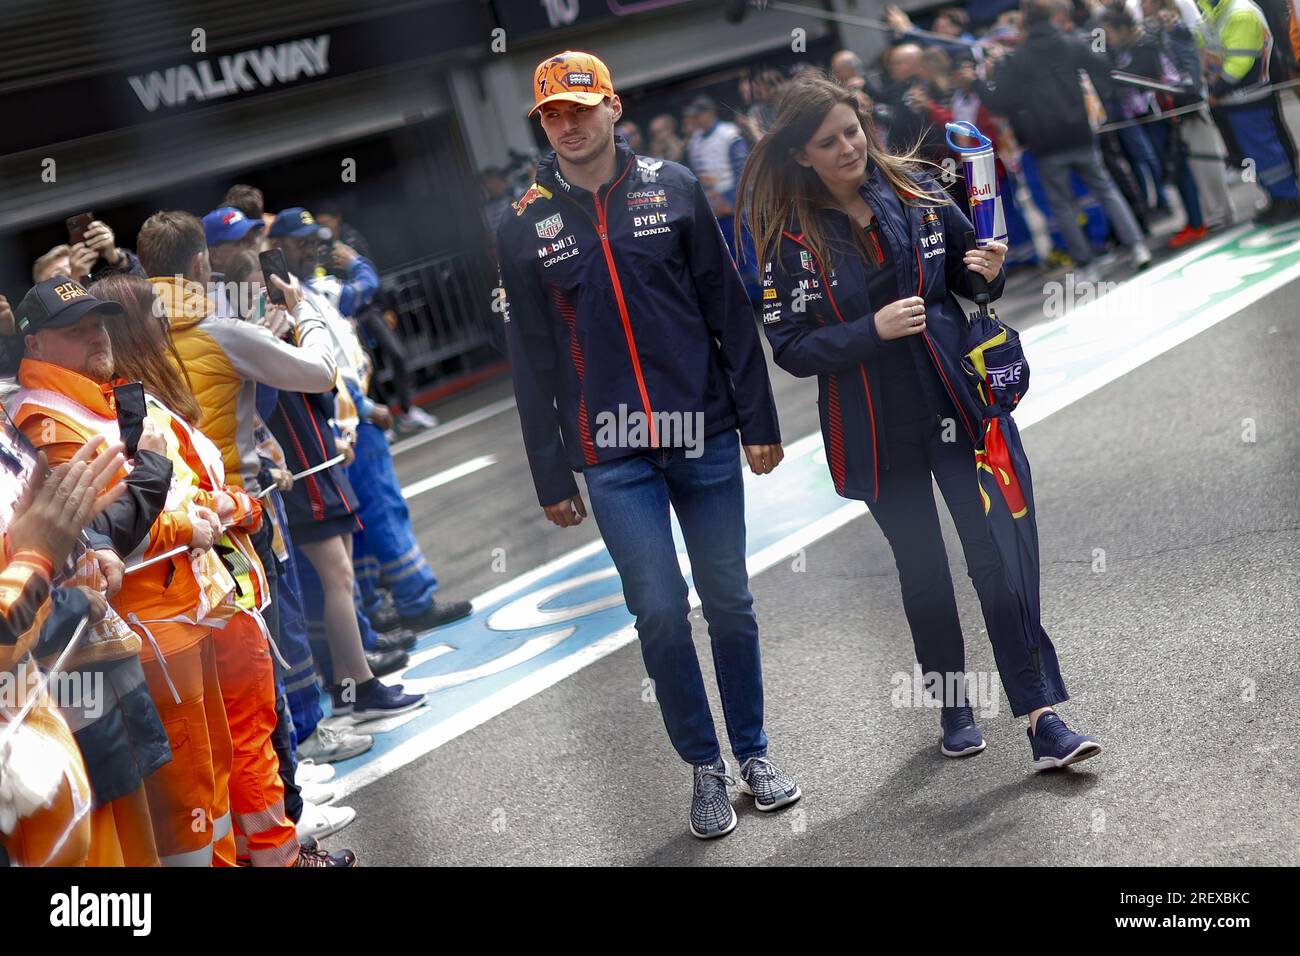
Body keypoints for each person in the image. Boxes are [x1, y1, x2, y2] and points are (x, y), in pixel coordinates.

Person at [740, 70, 1102, 770]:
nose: (848, 147)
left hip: (956, 403)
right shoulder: (787, 241)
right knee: (925, 574)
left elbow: (971, 277)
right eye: (829, 141)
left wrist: (988, 268)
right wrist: (869, 329)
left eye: (853, 130)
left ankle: (1040, 713)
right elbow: (789, 347)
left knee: (995, 555)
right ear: (801, 156)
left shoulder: (918, 188)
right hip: (876, 429)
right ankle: (954, 704)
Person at [498, 50, 799, 839]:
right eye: (551, 116)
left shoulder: (674, 188)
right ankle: (704, 768)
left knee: (729, 600)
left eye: (578, 108)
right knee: (661, 613)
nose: (566, 125)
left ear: (612, 108)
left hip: (701, 431)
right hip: (611, 456)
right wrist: (548, 471)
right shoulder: (524, 219)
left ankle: (754, 753)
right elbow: (529, 358)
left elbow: (727, 309)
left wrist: (757, 420)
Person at [94, 273, 356, 867]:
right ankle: (280, 858)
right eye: (156, 319)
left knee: (243, 749)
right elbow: (182, 507)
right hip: (201, 604)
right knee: (244, 749)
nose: (167, 328)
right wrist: (242, 504)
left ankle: (277, 853)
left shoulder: (143, 400)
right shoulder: (132, 411)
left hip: (211, 598)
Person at [8, 277, 242, 865]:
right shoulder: (44, 416)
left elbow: (106, 521)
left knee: (211, 781)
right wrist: (184, 520)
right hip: (110, 637)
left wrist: (193, 507)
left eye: (99, 321)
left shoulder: (97, 398)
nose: (96, 334)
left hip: (164, 614)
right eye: (75, 328)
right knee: (173, 812)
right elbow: (103, 525)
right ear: (35, 346)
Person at [269, 208, 472, 637]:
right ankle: (415, 601)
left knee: (359, 521)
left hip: (341, 424)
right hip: (346, 423)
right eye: (299, 242)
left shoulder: (316, 289)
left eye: (313, 241)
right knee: (381, 510)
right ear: (276, 248)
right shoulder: (287, 301)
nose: (310, 248)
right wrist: (363, 407)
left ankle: (374, 609)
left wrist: (357, 264)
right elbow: (322, 369)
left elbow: (365, 290)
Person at [977, 0, 1154, 273]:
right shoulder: (1071, 43)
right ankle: (1137, 246)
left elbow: (1000, 102)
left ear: (1024, 24)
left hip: (1045, 140)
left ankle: (1086, 264)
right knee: (1105, 189)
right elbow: (1103, 67)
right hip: (1080, 130)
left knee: (1062, 204)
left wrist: (986, 78)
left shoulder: (1017, 59)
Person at [314, 200, 437, 435]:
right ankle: (381, 417)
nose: (323, 227)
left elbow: (372, 272)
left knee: (397, 354)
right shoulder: (317, 250)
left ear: (336, 218)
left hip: (369, 308)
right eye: (319, 223)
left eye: (325, 221)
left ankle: (408, 410)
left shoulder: (353, 239)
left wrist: (387, 307)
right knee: (367, 366)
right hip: (345, 314)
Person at [1197, 0, 1300, 223]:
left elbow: (1240, 62)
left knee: (1265, 151)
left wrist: (1217, 89)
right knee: (1255, 154)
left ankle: (1289, 198)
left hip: (1248, 94)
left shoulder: (1239, 11)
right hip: (1235, 96)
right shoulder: (1213, 11)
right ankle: (1276, 196)